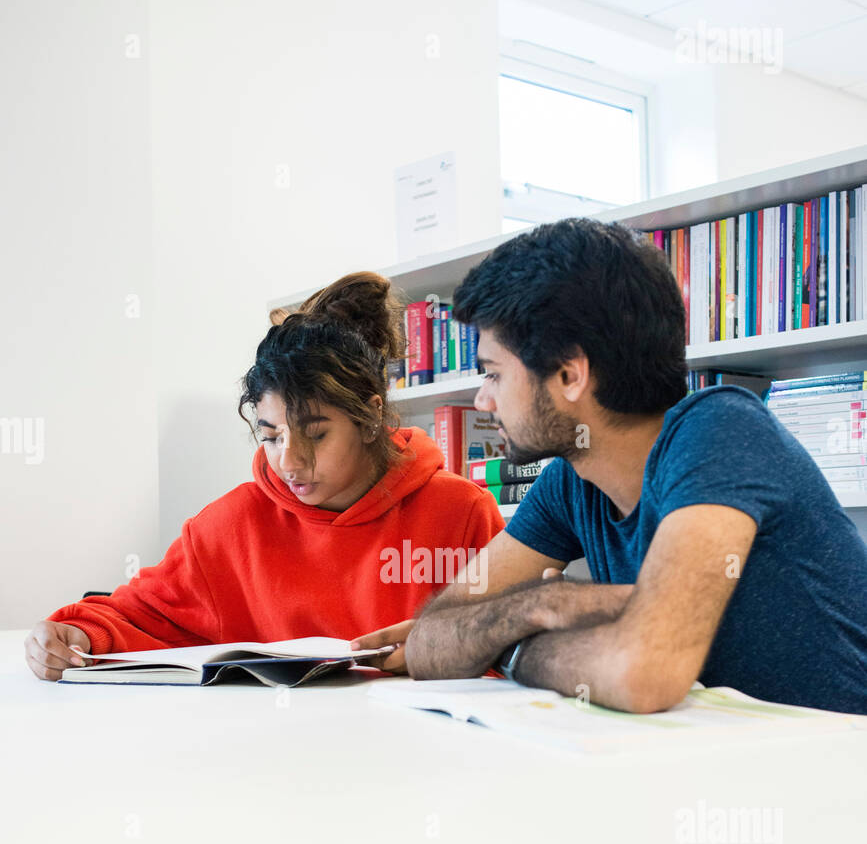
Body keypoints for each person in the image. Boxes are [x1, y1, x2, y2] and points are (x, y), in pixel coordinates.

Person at [400, 218, 867, 714]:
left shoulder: (721, 432)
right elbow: (429, 643)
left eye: (493, 374)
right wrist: (541, 604)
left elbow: (643, 673)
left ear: (569, 374)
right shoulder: (572, 479)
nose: (483, 400)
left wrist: (511, 649)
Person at [25, 272, 502, 681]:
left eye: (315, 435)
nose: (289, 461)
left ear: (370, 417)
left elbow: (515, 648)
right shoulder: (227, 527)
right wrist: (75, 634)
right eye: (271, 436)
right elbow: (137, 616)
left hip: (422, 761)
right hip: (269, 766)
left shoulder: (460, 513)